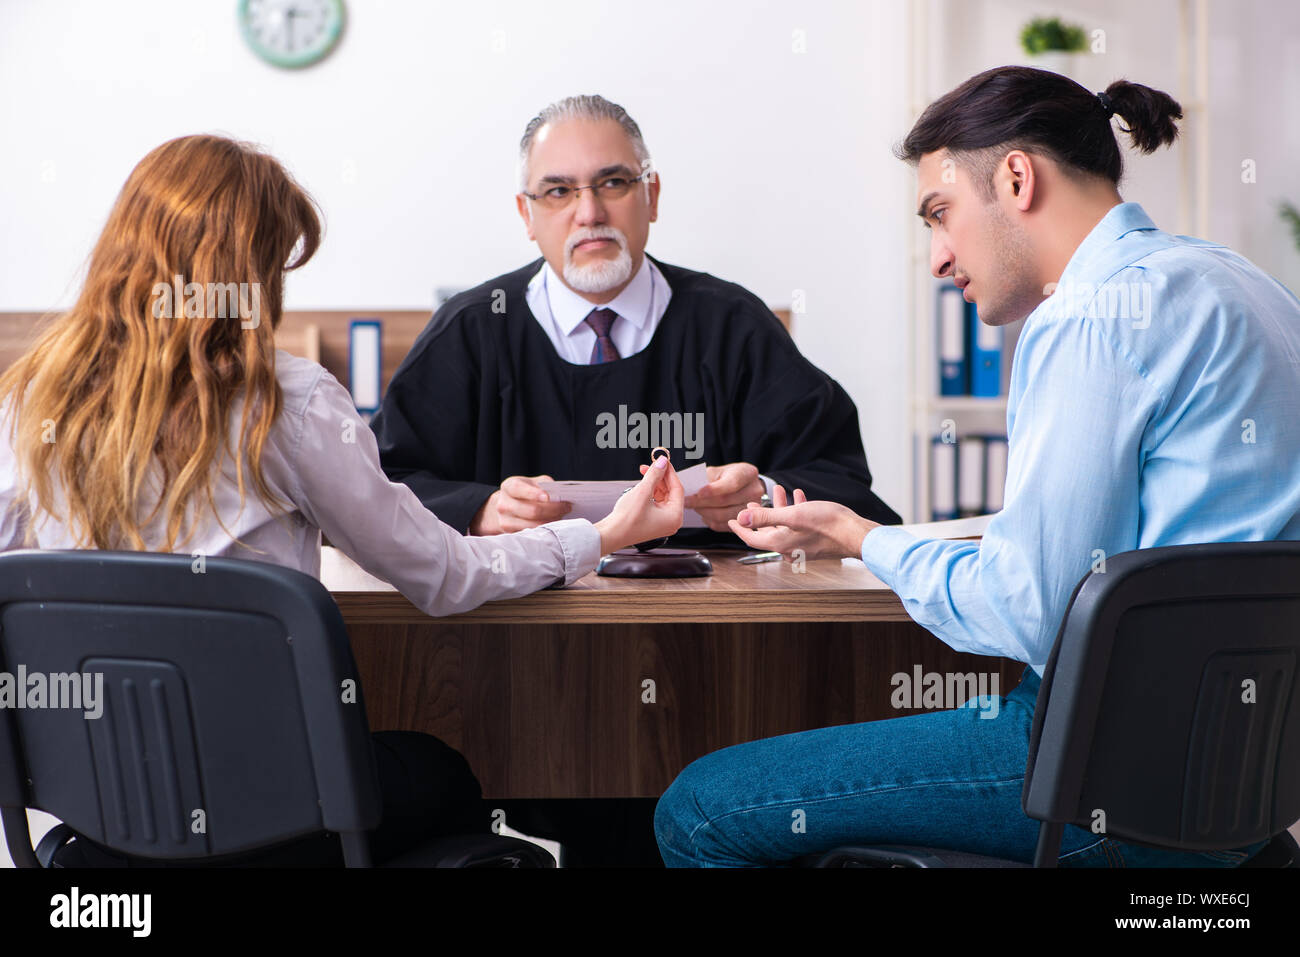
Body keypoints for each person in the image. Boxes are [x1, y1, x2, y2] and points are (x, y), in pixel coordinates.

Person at [654, 66, 1300, 867]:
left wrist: (865, 539)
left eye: (940, 214)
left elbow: (1029, 610)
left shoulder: (1087, 320)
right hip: (1242, 786)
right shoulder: (1252, 287)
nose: (937, 258)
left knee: (699, 808)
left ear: (1017, 177)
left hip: (1101, 769)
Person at [0, 133, 683, 867]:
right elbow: (445, 574)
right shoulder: (285, 404)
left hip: (98, 819)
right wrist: (602, 535)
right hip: (274, 815)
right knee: (447, 771)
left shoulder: (26, 403)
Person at [370, 93, 900, 548]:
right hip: (515, 633)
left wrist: (761, 491)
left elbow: (842, 481)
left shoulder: (731, 325)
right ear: (526, 215)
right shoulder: (471, 330)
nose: (589, 213)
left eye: (613, 182)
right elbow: (377, 489)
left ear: (652, 196)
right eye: (558, 191)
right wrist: (480, 510)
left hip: (710, 632)